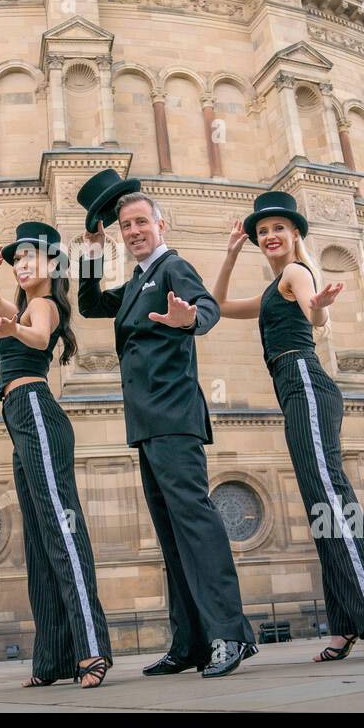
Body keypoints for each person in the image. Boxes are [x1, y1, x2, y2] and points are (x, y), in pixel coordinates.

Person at [211, 190, 364, 662]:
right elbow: (216, 305)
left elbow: (315, 314)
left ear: (294, 232)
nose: (269, 236)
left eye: (277, 228)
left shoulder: (298, 273)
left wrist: (319, 304)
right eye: (262, 232)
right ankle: (344, 625)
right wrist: (230, 253)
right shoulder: (270, 288)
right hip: (293, 388)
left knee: (330, 495)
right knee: (320, 502)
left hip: (304, 378)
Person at [76, 169, 257, 678]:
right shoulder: (137, 281)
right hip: (148, 422)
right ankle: (191, 643)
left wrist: (190, 321)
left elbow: (208, 308)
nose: (132, 231)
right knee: (172, 534)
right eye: (124, 226)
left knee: (196, 525)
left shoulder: (173, 267)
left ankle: (229, 635)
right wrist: (91, 249)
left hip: (174, 415)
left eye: (140, 222)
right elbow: (90, 304)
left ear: (161, 224)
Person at [0, 220, 113, 688]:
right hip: (17, 416)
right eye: (15, 260)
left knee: (60, 528)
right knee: (39, 541)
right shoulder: (21, 305)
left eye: (28, 258)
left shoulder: (45, 305)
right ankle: (53, 660)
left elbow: (37, 338)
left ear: (52, 264)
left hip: (36, 410)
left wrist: (11, 330)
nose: (19, 266)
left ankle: (92, 651)